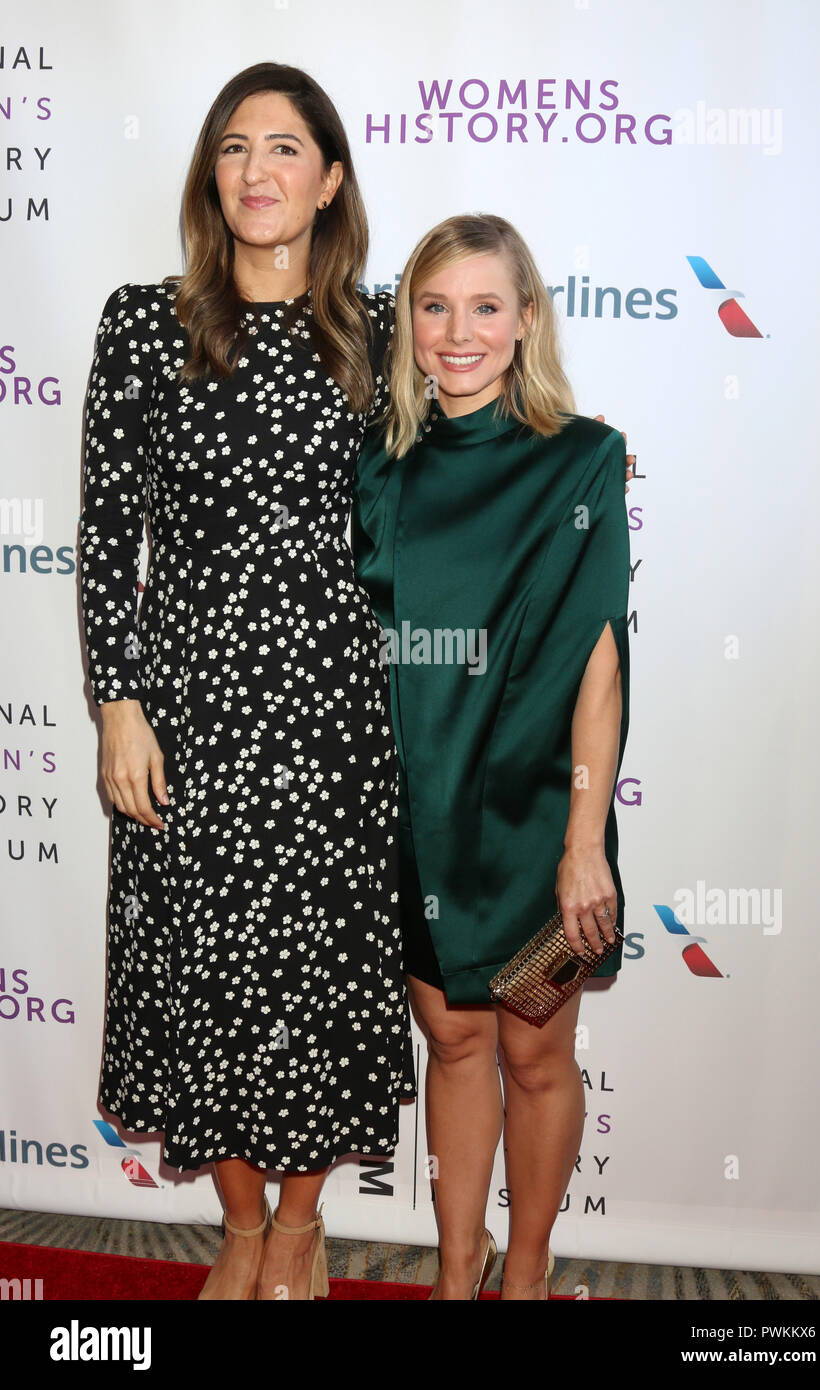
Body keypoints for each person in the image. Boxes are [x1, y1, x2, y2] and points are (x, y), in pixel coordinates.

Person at [78, 62, 415, 1302]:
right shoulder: (140, 321)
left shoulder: (383, 333)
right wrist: (118, 701)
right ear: (209, 177)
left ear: (329, 181)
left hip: (334, 708)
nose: (256, 171)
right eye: (233, 148)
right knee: (197, 959)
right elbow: (110, 531)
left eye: (285, 148)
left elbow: (442, 514)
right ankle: (236, 1217)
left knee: (321, 958)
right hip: (188, 709)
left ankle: (303, 1218)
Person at [352, 213, 631, 1300]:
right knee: (455, 1046)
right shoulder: (381, 473)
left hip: (536, 833)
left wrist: (581, 844)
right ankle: (454, 1270)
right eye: (433, 307)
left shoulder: (582, 460)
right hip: (421, 825)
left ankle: (524, 1272)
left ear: (523, 321)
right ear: (409, 326)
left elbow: (596, 662)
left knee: (533, 1053)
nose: (455, 332)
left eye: (482, 306)